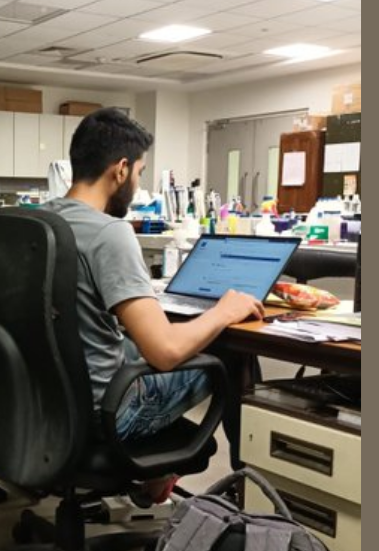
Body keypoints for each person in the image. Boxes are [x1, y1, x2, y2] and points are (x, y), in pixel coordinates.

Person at [40, 108, 265, 501]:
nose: (137, 181)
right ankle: (244, 491)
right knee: (230, 352)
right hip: (104, 413)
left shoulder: (39, 221)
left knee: (139, 341)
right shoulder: (109, 233)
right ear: (121, 170)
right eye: (141, 172)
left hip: (47, 398)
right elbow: (164, 352)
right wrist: (224, 312)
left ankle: (160, 479)